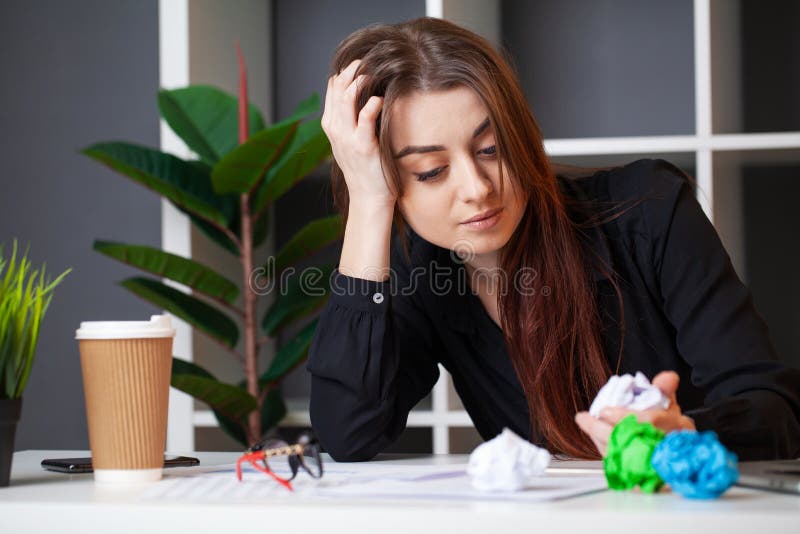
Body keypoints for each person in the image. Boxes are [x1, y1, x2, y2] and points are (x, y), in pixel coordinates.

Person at [306, 17, 800, 461]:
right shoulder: (423, 269)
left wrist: (684, 432)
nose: (478, 189)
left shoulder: (648, 210)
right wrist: (369, 204)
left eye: (492, 149)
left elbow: (775, 410)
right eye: (431, 171)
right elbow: (349, 434)